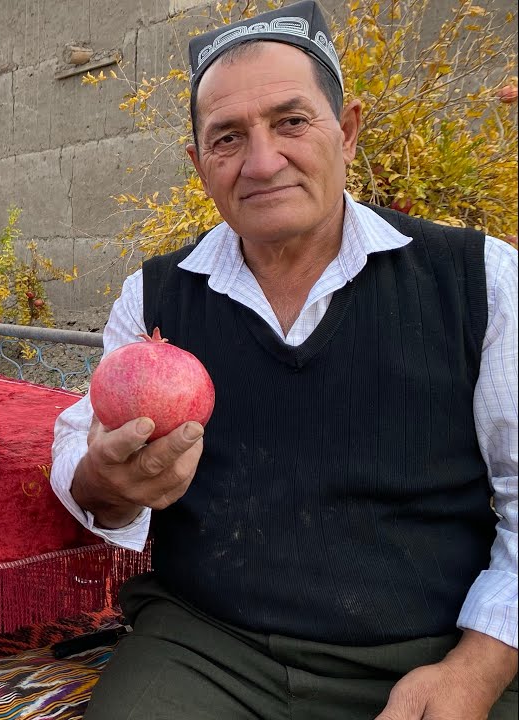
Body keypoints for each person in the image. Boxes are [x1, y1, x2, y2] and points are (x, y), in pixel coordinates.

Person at [49, 2, 518, 718]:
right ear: (199, 165)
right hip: (210, 648)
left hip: (433, 646)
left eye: (292, 122)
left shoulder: (479, 280)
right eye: (228, 138)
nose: (262, 162)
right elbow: (85, 456)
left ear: (349, 130)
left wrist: (475, 671)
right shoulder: (155, 297)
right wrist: (105, 482)